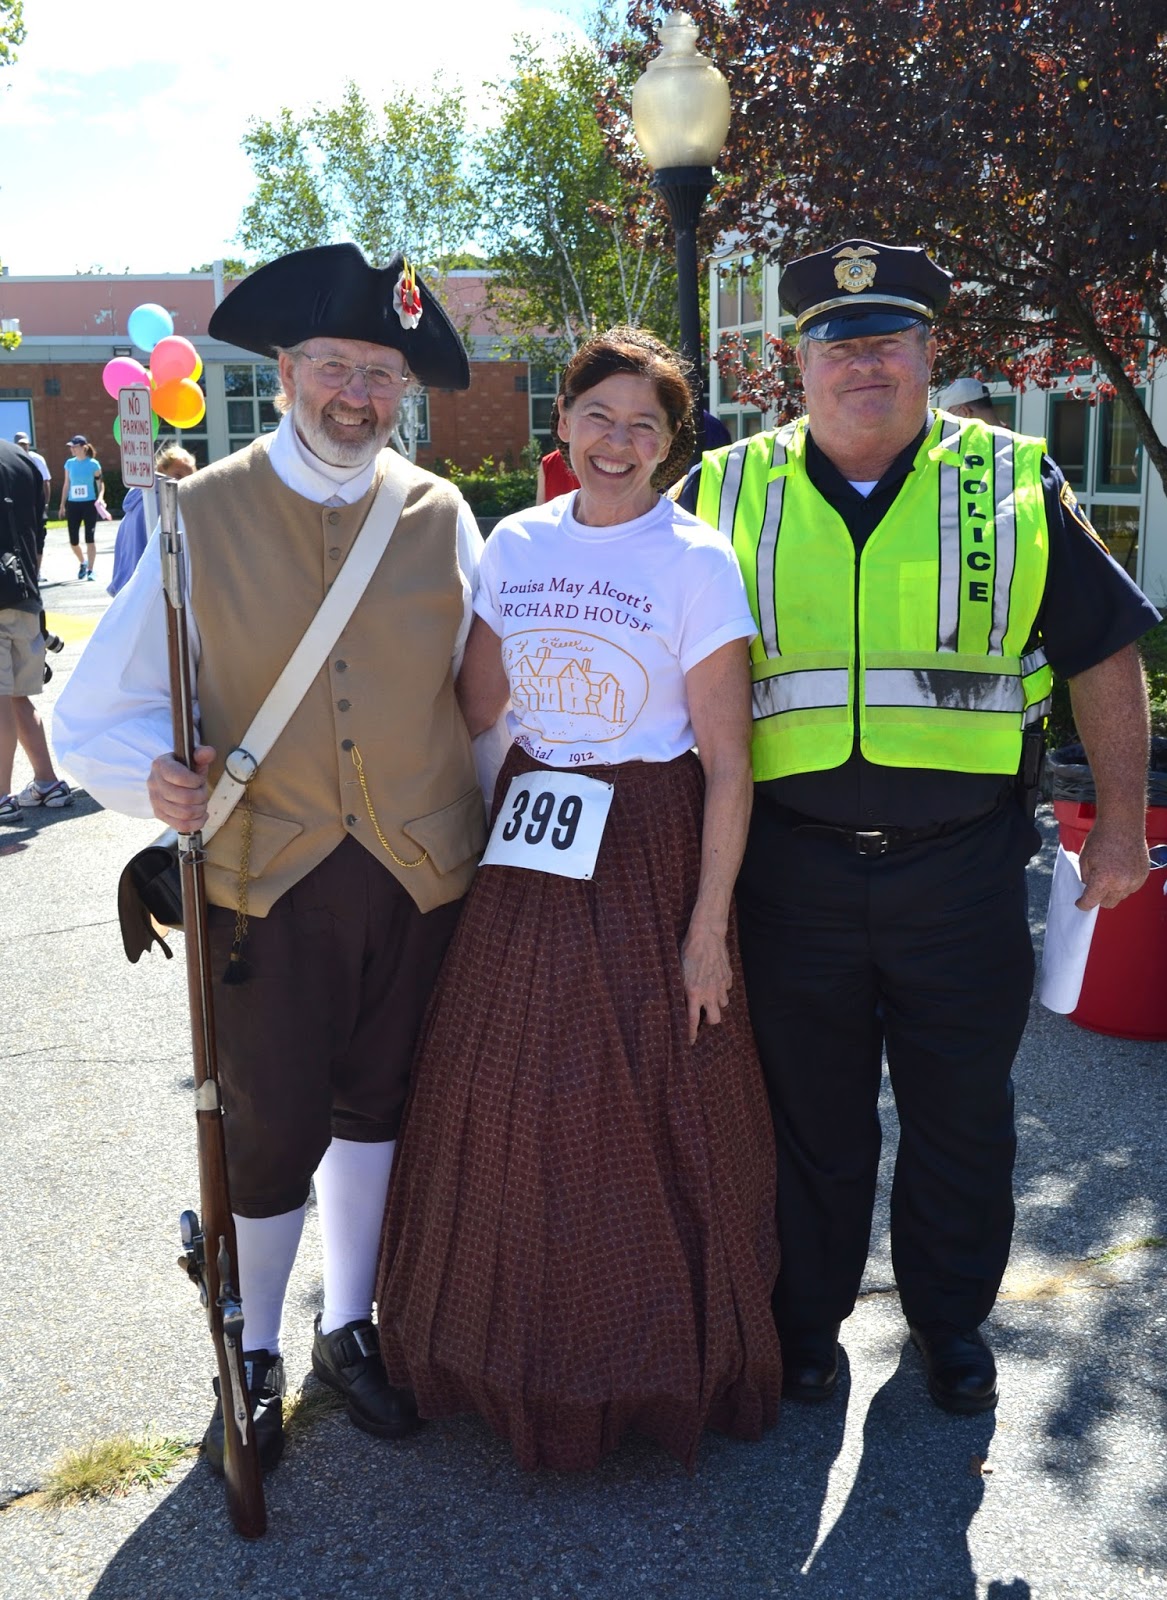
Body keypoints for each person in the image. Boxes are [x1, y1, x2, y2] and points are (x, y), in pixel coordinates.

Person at [680, 240, 1159, 1416]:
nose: (866, 363)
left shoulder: (1011, 477)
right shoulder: (721, 489)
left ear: (929, 353)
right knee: (811, 1121)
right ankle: (805, 1323)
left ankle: (950, 1325)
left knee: (963, 1118)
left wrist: (1120, 826)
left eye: (889, 339)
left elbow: (1103, 653)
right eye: (839, 343)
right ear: (797, 362)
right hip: (790, 876)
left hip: (963, 874)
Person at [54, 243, 487, 1476]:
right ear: (286, 370)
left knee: (382, 1104)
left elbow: (483, 702)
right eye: (336, 366)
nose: (358, 394)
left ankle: (350, 1324)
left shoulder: (443, 514)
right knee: (270, 1123)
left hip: (421, 874)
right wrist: (155, 781)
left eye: (382, 374)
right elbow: (93, 714)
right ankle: (252, 1346)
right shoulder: (195, 516)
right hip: (265, 877)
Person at [377, 326, 781, 1472]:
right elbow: (473, 706)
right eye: (598, 415)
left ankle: (643, 1365)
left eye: (644, 424)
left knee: (650, 1090)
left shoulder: (695, 560)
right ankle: (502, 1350)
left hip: (648, 836)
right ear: (562, 422)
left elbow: (730, 761)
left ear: (670, 443)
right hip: (534, 830)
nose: (617, 440)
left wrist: (708, 929)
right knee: (507, 1086)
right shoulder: (516, 541)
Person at [0, 438, 72, 820]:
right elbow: (38, 527)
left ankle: (1, 795)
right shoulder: (21, 458)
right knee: (19, 697)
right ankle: (47, 781)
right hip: (25, 589)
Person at [108, 443, 197, 597]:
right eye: (178, 475)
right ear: (161, 469)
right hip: (145, 593)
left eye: (188, 478)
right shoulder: (161, 502)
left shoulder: (137, 500)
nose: (182, 482)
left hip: (127, 590)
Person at [59, 435, 103, 581]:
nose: (72, 449)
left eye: (74, 447)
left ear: (83, 447)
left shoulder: (93, 464)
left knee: (89, 538)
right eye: (71, 447)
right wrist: (62, 505)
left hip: (89, 504)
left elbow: (100, 483)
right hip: (73, 505)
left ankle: (90, 570)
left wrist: (100, 497)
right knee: (73, 541)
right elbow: (66, 484)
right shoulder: (69, 464)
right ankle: (83, 562)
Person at [13, 431, 51, 577]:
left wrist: (46, 503)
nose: (23, 447)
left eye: (25, 444)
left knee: (39, 538)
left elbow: (46, 482)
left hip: (37, 505)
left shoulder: (37, 459)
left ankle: (37, 572)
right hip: (20, 507)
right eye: (20, 444)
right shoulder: (12, 459)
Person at [937, 376, 1003, 427]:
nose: (946, 427)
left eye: (948, 420)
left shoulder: (975, 441)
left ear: (965, 412)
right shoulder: (1008, 438)